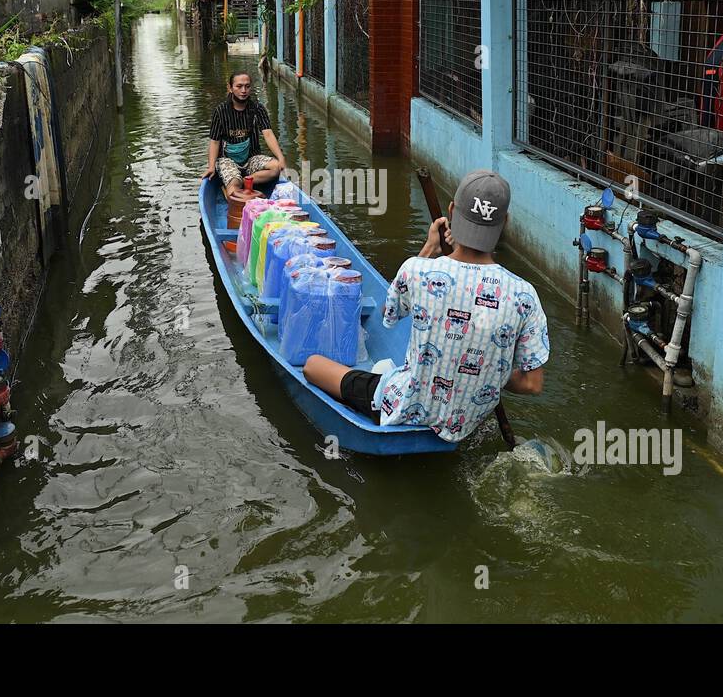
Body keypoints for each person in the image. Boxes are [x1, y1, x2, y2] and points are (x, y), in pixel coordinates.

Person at [303, 170, 550, 443]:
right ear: (504, 222)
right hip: (465, 421)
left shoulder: (417, 270)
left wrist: (430, 248)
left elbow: (388, 312)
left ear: (452, 210)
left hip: (404, 406)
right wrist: (490, 371)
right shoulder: (525, 295)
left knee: (313, 365)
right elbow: (532, 383)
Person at [203, 71, 287, 196]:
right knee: (234, 187)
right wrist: (211, 167)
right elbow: (215, 141)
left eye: (247, 86)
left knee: (275, 168)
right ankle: (234, 185)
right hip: (227, 160)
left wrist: (281, 159)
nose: (244, 90)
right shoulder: (220, 111)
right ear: (230, 88)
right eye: (239, 86)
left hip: (251, 159)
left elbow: (268, 134)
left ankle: (244, 182)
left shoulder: (257, 108)